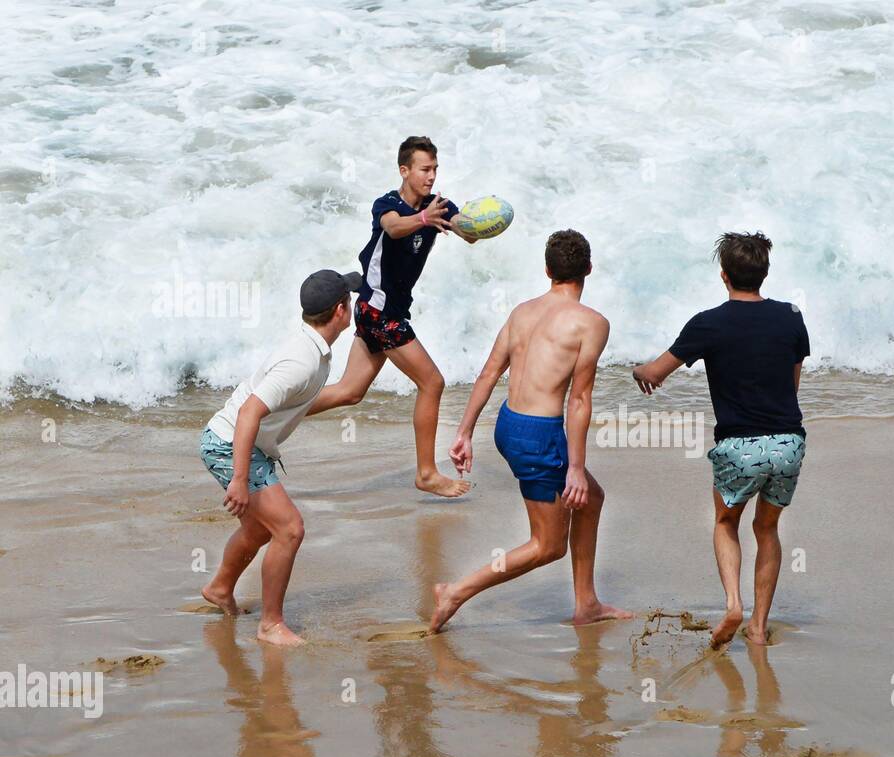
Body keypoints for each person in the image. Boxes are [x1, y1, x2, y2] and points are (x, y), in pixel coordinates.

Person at [429, 230, 631, 631]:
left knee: (591, 500)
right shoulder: (592, 324)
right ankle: (456, 591)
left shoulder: (522, 311)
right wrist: (575, 466)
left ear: (547, 270)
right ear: (588, 269)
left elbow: (489, 372)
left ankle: (586, 603)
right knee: (547, 545)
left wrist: (464, 432)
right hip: (540, 435)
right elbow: (578, 400)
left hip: (508, 424)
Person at [633, 232, 810, 649]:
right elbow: (793, 382)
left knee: (726, 521)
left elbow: (656, 374)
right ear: (763, 274)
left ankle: (733, 604)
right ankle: (757, 626)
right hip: (788, 441)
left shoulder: (708, 322)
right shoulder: (791, 316)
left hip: (739, 445)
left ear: (724, 275)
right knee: (767, 529)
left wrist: (638, 371)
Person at [307, 135, 476, 498]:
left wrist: (478, 224)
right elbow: (394, 227)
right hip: (379, 311)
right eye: (424, 169)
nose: (431, 177)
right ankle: (427, 473)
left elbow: (464, 229)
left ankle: (277, 411)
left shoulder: (437, 205)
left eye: (435, 169)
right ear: (405, 170)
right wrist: (423, 218)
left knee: (350, 392)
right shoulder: (388, 204)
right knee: (432, 383)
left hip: (379, 311)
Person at [199, 269, 361, 646]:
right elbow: (249, 412)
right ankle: (271, 624)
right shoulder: (302, 359)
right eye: (349, 301)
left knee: (259, 530)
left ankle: (220, 587)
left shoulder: (312, 350)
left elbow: (293, 401)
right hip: (230, 443)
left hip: (238, 441)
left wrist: (349, 392)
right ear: (340, 310)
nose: (351, 306)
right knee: (289, 529)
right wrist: (239, 479)